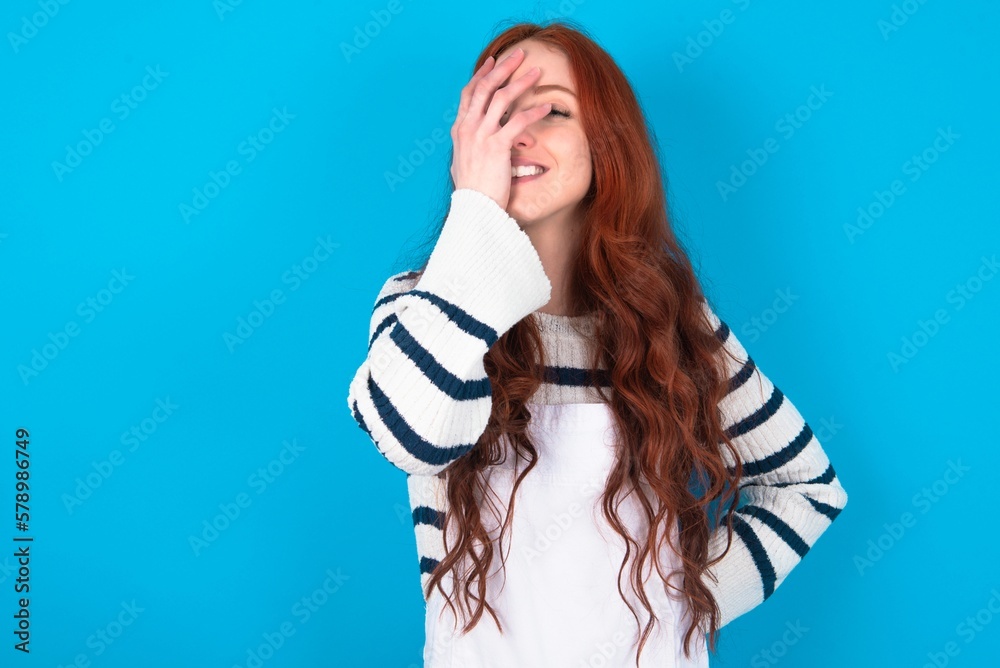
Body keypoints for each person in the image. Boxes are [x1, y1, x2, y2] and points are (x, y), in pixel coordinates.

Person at [347, 20, 848, 668]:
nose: (517, 134)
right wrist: (477, 213)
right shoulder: (423, 305)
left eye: (551, 109)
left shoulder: (673, 323)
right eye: (496, 114)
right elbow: (412, 435)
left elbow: (806, 487)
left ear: (605, 144)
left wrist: (684, 602)